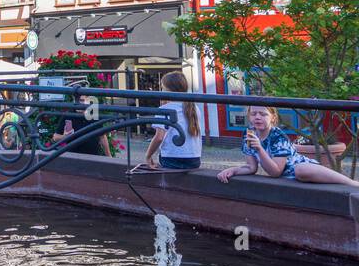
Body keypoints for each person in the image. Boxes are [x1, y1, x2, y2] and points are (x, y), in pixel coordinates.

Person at [217, 105, 359, 186]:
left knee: (300, 170)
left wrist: (259, 149)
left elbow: (276, 172)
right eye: (253, 114)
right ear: (249, 116)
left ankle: (352, 184)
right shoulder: (248, 134)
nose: (257, 117)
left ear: (272, 117)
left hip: (303, 168)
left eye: (263, 114)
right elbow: (251, 168)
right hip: (288, 178)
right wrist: (234, 170)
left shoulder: (278, 135)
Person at [131, 71, 202, 172]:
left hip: (171, 159)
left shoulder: (164, 109)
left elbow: (159, 137)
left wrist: (148, 156)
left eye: (162, 88)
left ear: (168, 90)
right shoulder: (195, 108)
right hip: (194, 159)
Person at [51, 88, 112, 157]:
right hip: (73, 157)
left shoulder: (94, 114)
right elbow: (55, 137)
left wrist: (109, 156)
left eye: (82, 100)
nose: (79, 103)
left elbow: (102, 137)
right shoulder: (68, 115)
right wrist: (64, 137)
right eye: (77, 100)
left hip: (93, 157)